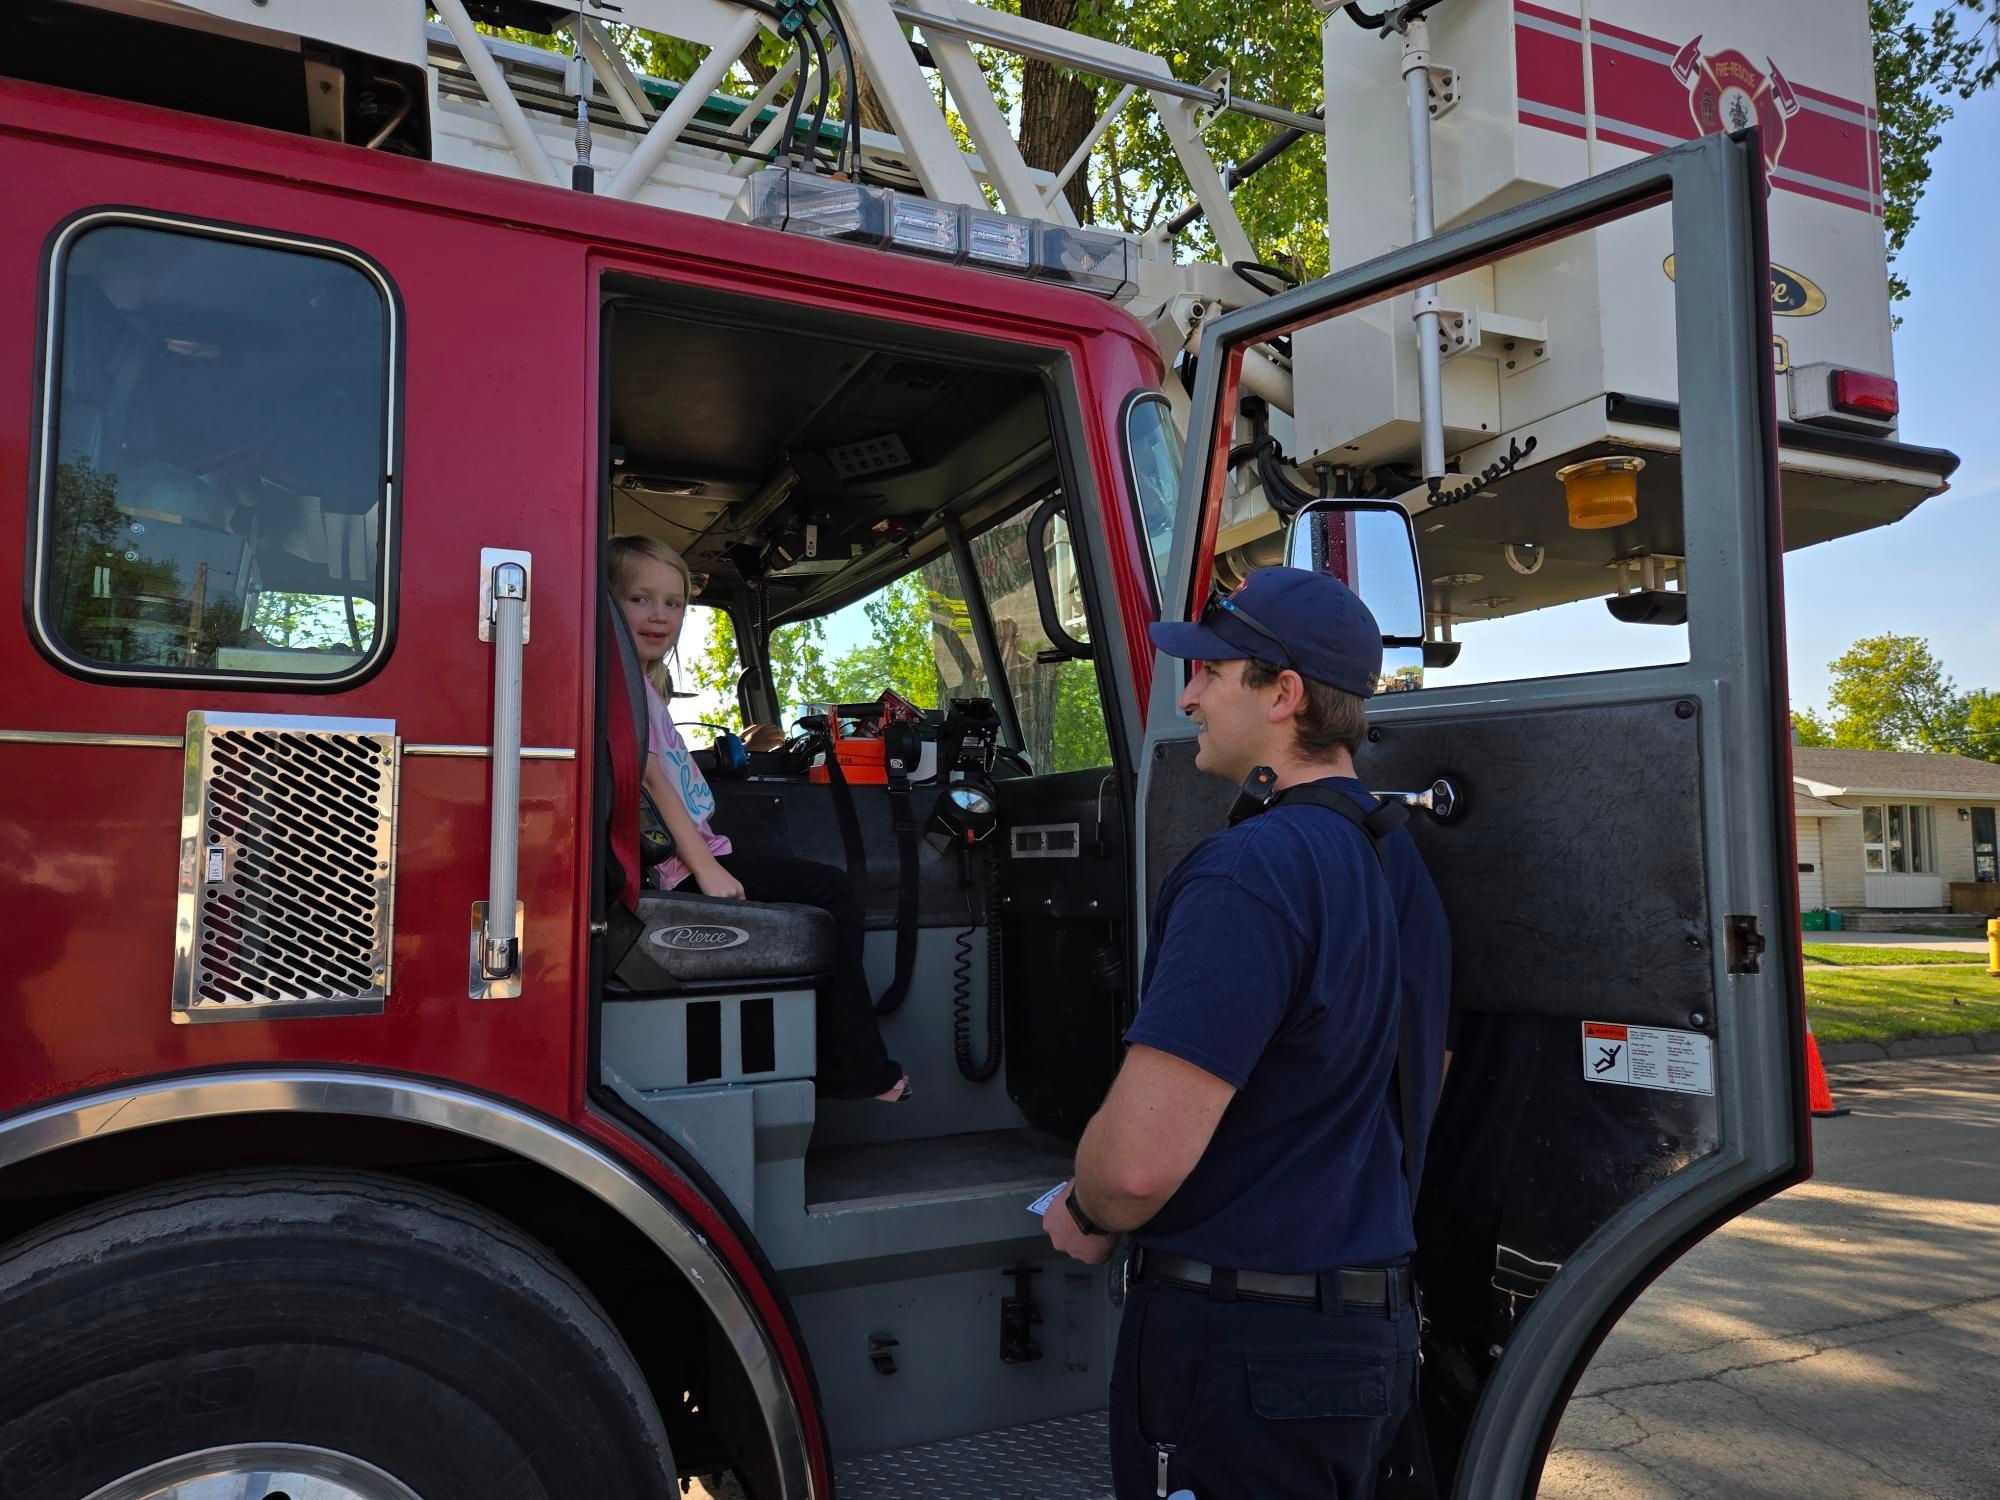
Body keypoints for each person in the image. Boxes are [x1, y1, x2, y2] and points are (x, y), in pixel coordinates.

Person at [1043, 565, 1451, 1500]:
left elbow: (1137, 1166)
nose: (1186, 696)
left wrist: (1088, 1211)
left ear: (1285, 694)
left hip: (1240, 1357)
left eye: (1212, 674)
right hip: (1368, 1347)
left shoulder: (1248, 872)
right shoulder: (1395, 860)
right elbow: (1428, 1073)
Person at [610, 534, 909, 1103]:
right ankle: (851, 1067)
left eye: (673, 603)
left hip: (687, 853)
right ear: (605, 605)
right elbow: (649, 775)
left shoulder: (645, 686)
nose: (659, 615)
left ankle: (839, 1057)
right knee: (831, 891)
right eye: (639, 599)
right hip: (676, 866)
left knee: (820, 887)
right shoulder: (620, 685)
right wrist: (707, 872)